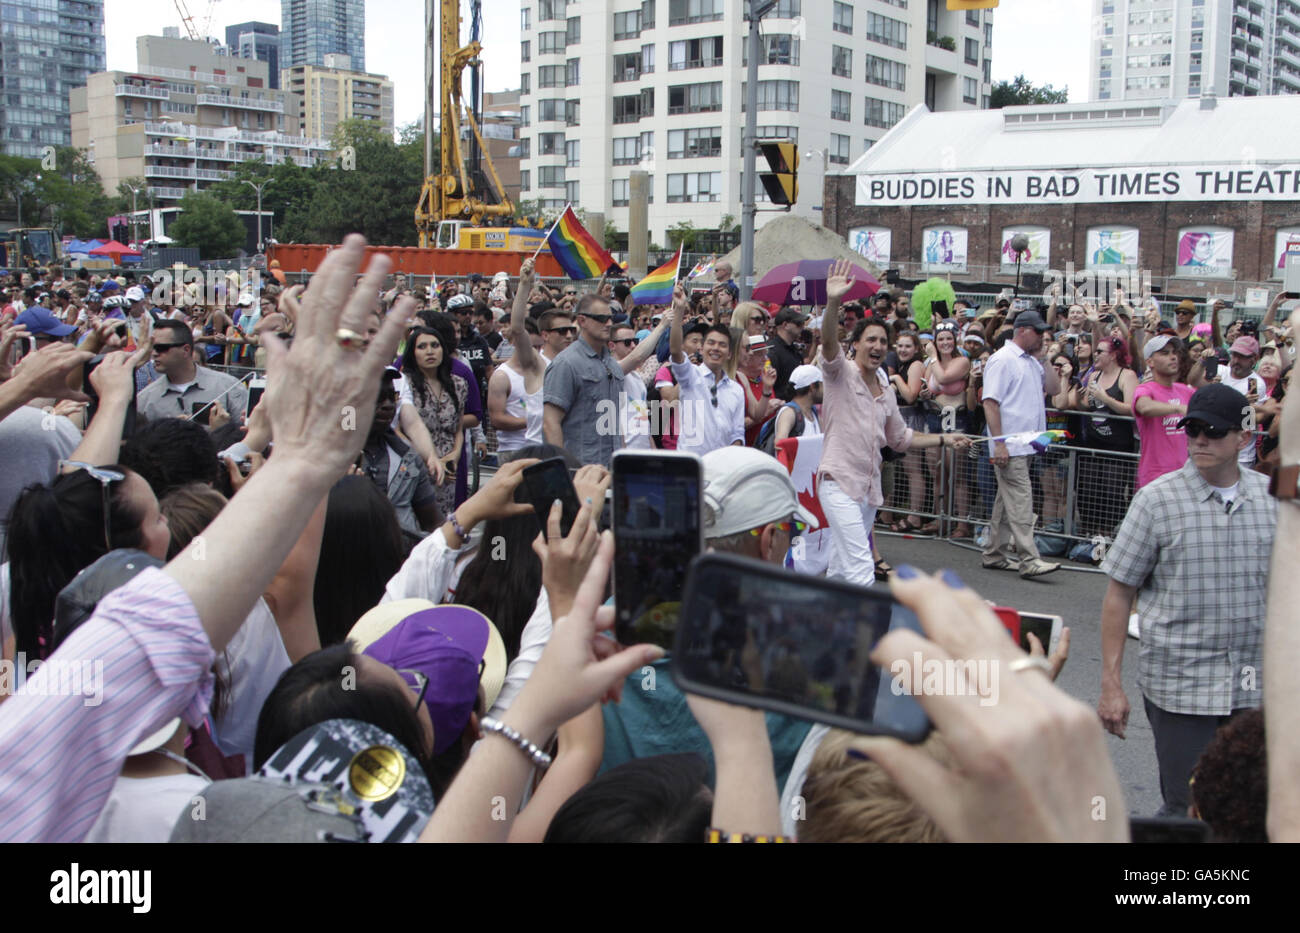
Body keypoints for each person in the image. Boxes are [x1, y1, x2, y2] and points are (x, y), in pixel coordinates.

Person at [1097, 383, 1276, 817]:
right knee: (1187, 806)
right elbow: (1120, 593)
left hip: (1254, 687)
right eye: (1192, 429)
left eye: (1213, 432)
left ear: (1243, 438)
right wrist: (1111, 684)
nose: (1199, 440)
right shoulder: (1156, 500)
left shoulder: (1275, 497)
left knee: (1250, 809)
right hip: (1180, 687)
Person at [817, 260, 964, 586]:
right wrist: (833, 301)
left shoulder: (885, 388)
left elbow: (900, 438)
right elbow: (828, 346)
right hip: (838, 485)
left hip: (868, 490)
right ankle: (864, 636)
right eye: (870, 340)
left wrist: (945, 440)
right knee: (860, 568)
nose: (878, 346)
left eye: (883, 342)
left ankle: (826, 629)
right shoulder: (840, 373)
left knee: (841, 568)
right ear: (855, 344)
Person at [980, 309, 1061, 579]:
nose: (1043, 336)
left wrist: (1046, 358)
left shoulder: (1030, 361)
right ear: (1023, 331)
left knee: (1007, 501)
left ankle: (995, 553)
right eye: (1039, 332)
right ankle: (1029, 559)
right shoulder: (1002, 360)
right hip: (1011, 445)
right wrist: (1000, 443)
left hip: (1025, 445)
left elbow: (1055, 388)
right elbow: (990, 402)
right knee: (1021, 501)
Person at [542, 293, 625, 467]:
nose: (609, 324)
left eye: (610, 318)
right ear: (582, 321)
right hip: (579, 469)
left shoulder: (613, 365)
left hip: (611, 469)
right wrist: (561, 470)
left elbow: (617, 423)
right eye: (602, 318)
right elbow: (551, 422)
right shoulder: (566, 363)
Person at [357, 370, 441, 537]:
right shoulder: (331, 461)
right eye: (377, 396)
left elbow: (433, 522)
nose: (388, 405)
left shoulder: (409, 459)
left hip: (401, 557)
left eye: (392, 396)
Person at [667, 284, 744, 456]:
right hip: (690, 468)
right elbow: (675, 350)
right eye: (711, 343)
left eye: (722, 345)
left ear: (730, 353)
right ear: (701, 348)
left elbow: (737, 434)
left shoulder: (737, 390)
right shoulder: (691, 377)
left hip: (721, 469)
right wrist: (679, 309)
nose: (716, 348)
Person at [400, 325, 468, 519]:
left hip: (448, 466)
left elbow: (459, 428)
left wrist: (454, 455)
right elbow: (398, 429)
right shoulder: (405, 384)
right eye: (422, 347)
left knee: (445, 523)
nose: (429, 351)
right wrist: (428, 458)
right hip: (415, 464)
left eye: (435, 345)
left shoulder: (458, 384)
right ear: (412, 352)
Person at [136, 320, 247, 426]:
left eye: (161, 348)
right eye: (152, 348)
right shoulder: (144, 400)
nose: (154, 354)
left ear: (186, 350)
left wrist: (221, 431)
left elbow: (249, 436)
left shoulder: (229, 387)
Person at [489, 259, 546, 462]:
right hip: (514, 451)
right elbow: (496, 419)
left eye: (541, 347)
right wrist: (525, 285)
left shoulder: (548, 367)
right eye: (533, 347)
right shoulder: (502, 376)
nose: (537, 353)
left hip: (543, 450)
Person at [922, 320, 973, 539]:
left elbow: (943, 377)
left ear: (955, 340)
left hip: (956, 421)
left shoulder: (962, 361)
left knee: (958, 475)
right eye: (940, 339)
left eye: (948, 339)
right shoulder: (930, 363)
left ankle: (961, 523)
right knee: (937, 474)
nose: (944, 343)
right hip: (935, 419)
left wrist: (933, 355)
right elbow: (928, 385)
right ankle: (939, 516)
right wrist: (925, 394)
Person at [1132, 335, 1195, 489]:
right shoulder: (1145, 389)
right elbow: (1144, 407)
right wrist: (1177, 408)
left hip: (1183, 475)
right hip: (1154, 477)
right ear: (1150, 362)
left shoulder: (1185, 391)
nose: (1173, 357)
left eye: (1174, 352)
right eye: (1165, 353)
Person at [1219, 335, 1268, 469]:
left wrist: (1242, 404)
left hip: (1241, 456)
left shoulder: (1255, 384)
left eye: (1242, 357)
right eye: (1234, 355)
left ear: (1254, 359)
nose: (1235, 360)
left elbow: (1248, 422)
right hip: (1217, 449)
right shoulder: (1221, 372)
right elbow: (1193, 380)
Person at [772, 364, 823, 444]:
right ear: (812, 387)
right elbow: (779, 445)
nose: (825, 390)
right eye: (822, 385)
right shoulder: (789, 413)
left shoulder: (814, 413)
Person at [767, 308, 807, 400]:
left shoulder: (795, 350)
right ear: (785, 325)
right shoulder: (772, 351)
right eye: (798, 324)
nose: (802, 327)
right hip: (780, 406)